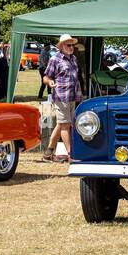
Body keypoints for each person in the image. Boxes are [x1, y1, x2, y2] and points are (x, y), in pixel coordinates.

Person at [42, 34, 82, 162]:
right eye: (68, 45)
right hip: (61, 96)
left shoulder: (73, 58)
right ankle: (71, 154)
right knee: (66, 125)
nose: (71, 47)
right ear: (61, 46)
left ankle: (48, 152)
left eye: (72, 45)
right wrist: (50, 82)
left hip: (72, 96)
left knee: (62, 124)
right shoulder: (55, 59)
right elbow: (46, 77)